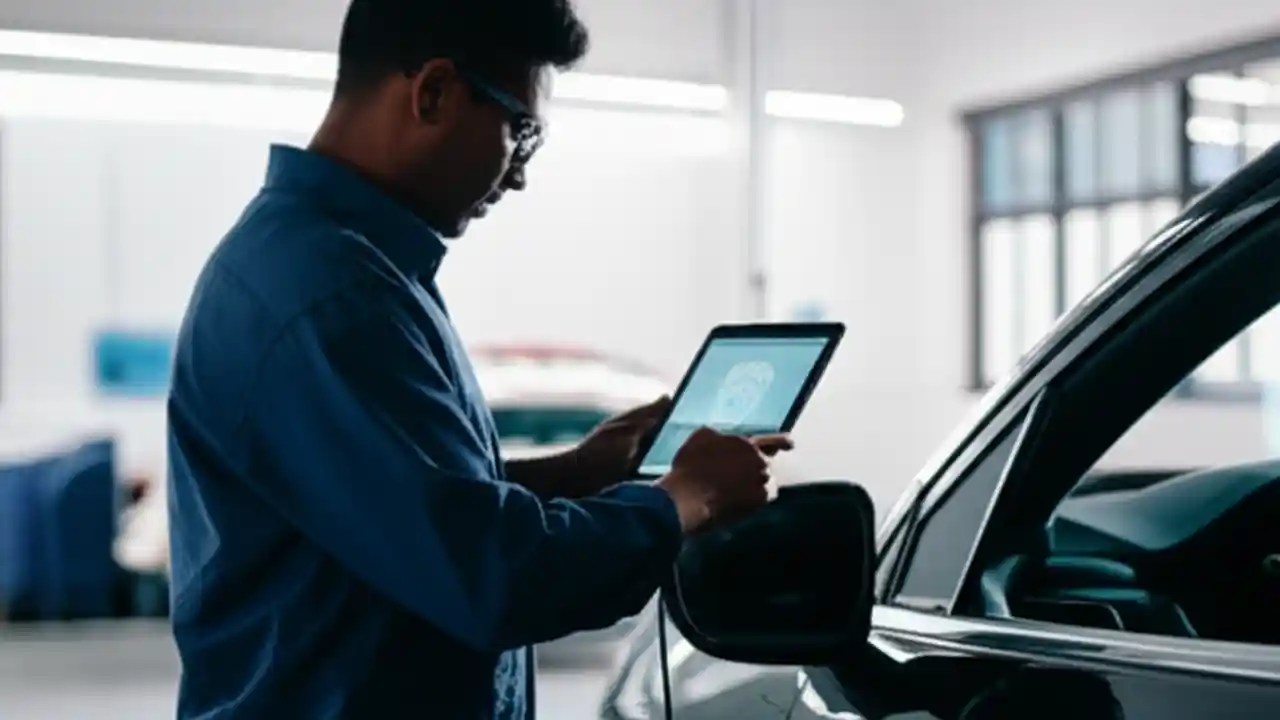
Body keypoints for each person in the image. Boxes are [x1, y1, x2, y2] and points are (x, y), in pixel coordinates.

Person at [165, 0, 792, 718]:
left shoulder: (351, 272)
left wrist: (581, 471)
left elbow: (408, 511)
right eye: (519, 130)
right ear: (432, 92)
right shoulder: (327, 296)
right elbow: (491, 575)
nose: (518, 174)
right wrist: (681, 501)